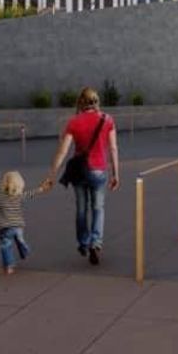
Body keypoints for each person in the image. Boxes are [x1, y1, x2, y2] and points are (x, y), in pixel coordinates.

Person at [42, 87, 119, 265]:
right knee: (98, 208)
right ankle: (96, 243)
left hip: (79, 171)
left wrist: (51, 175)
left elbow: (63, 151)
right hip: (99, 170)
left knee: (81, 209)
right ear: (96, 101)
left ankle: (83, 242)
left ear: (81, 102)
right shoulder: (107, 119)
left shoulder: (74, 122)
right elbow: (113, 148)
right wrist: (116, 173)